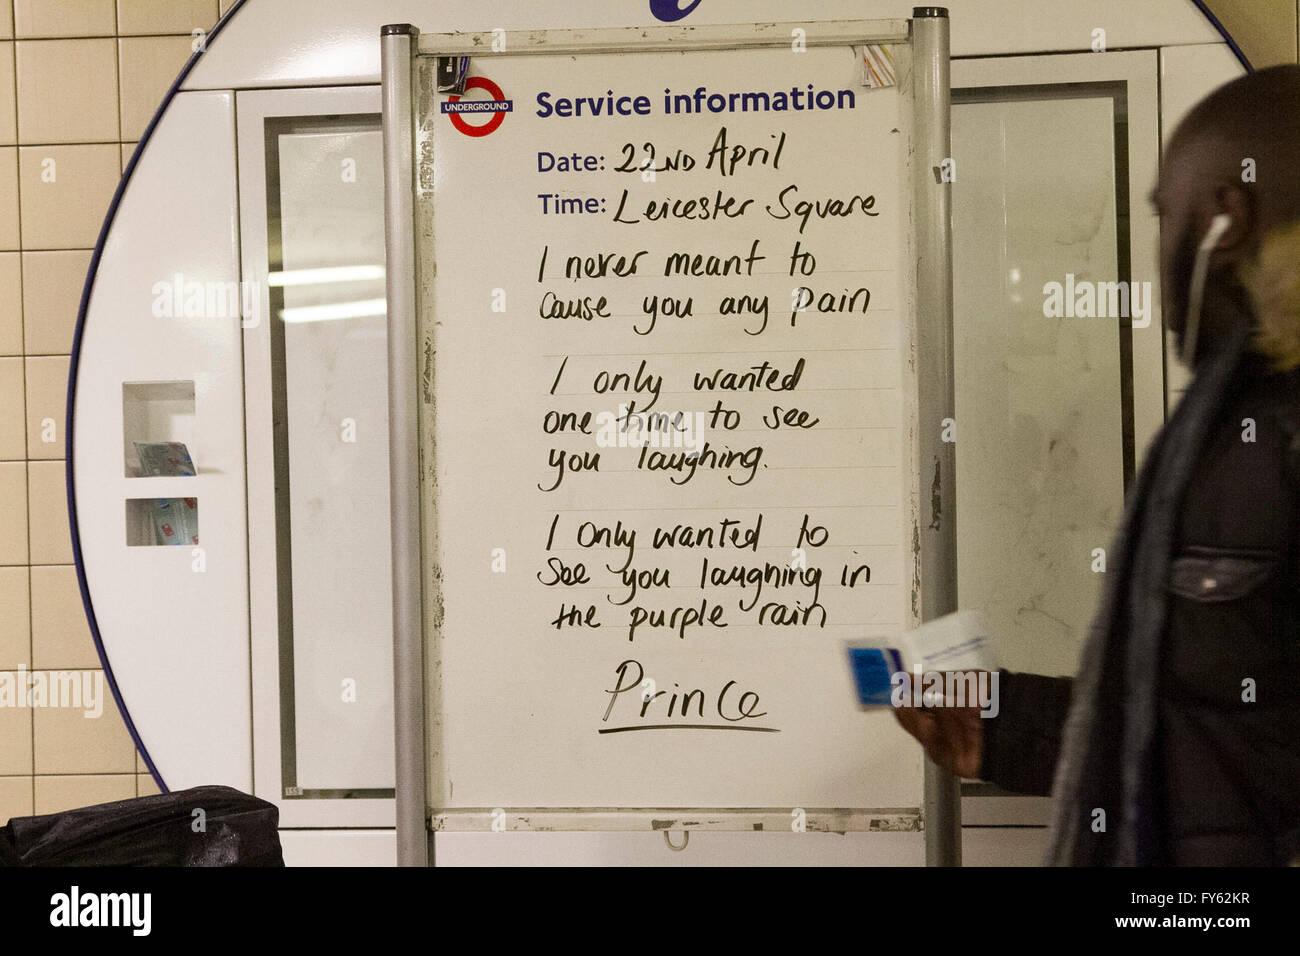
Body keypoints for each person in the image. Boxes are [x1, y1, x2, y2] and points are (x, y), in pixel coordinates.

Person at [895, 64, 1300, 866]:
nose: (1156, 250)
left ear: (1227, 218)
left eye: (1161, 215)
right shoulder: (1226, 424)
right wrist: (1006, 730)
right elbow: (1207, 728)